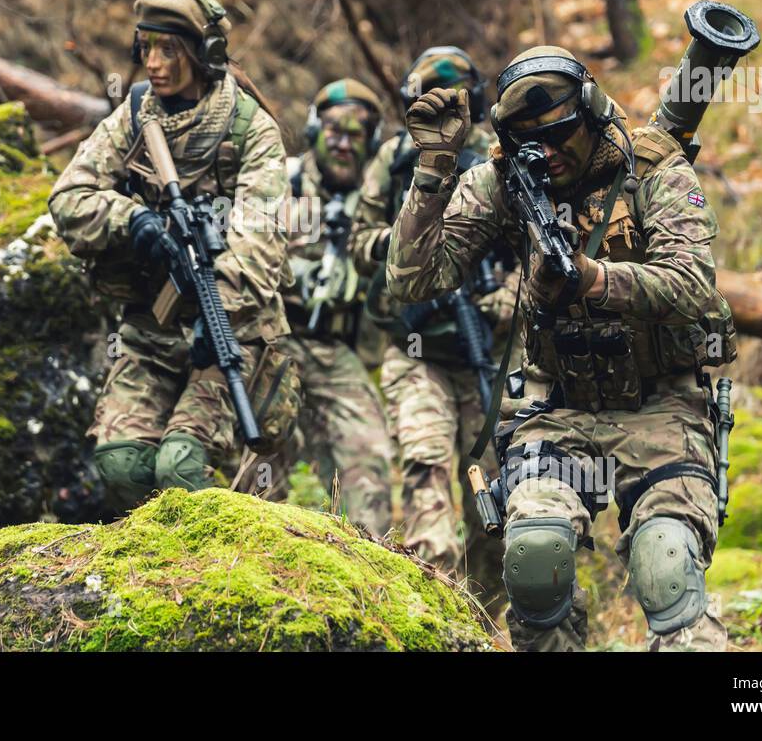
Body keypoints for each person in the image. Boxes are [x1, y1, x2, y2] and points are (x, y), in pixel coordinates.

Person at [384, 44, 736, 651]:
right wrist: (433, 172)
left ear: (593, 112)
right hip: (559, 409)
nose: (545, 152)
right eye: (529, 141)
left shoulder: (653, 168)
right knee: (535, 562)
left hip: (662, 407)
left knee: (667, 567)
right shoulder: (506, 179)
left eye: (558, 134)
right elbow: (412, 280)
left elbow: (694, 288)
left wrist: (594, 278)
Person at [48, 0, 300, 514]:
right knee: (121, 466)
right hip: (152, 331)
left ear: (203, 56)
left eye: (170, 51)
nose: (154, 65)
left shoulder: (250, 129)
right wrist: (131, 219)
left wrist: (220, 311)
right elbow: (69, 198)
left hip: (233, 331)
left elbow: (260, 245)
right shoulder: (136, 115)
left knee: (180, 468)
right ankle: (167, 574)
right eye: (146, 49)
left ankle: (233, 566)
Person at [350, 47, 520, 592]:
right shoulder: (396, 160)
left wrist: (506, 294)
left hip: (486, 353)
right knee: (424, 468)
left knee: (494, 498)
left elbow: (541, 251)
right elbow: (358, 242)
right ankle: (433, 598)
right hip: (416, 348)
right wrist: (413, 241)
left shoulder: (502, 163)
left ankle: (488, 620)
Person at [271, 78, 394, 534]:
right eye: (332, 131)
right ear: (312, 132)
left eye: (355, 134)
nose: (342, 144)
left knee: (369, 455)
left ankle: (371, 567)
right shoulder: (276, 183)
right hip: (273, 342)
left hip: (337, 350)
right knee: (259, 457)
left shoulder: (379, 199)